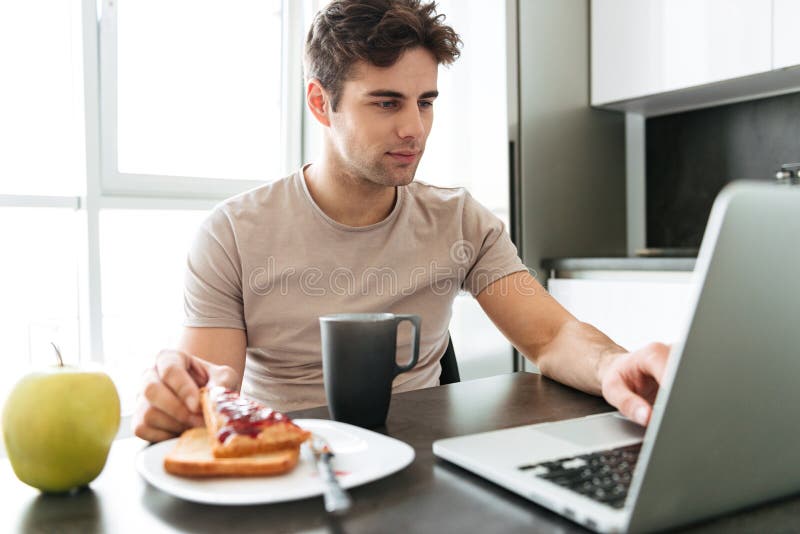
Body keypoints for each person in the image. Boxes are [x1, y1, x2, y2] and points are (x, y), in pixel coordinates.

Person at [133, 0, 670, 443]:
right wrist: (177, 401)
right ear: (321, 104)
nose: (415, 128)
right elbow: (210, 393)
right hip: (294, 470)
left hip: (426, 466)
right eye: (387, 103)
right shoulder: (232, 234)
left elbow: (553, 336)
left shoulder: (459, 220)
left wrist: (613, 366)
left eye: (426, 102)